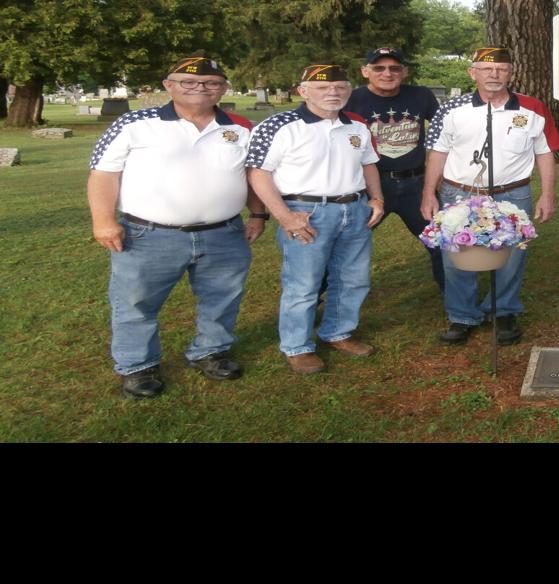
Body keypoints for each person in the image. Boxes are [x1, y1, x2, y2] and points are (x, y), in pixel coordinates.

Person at [87, 56, 266, 399]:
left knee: (222, 298)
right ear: (169, 86)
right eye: (188, 81)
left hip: (223, 233)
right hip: (148, 235)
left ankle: (210, 351)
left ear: (223, 88)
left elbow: (252, 175)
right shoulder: (134, 123)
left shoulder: (242, 126)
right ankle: (137, 366)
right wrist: (104, 221)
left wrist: (258, 215)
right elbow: (104, 174)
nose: (200, 88)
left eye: (211, 83)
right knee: (136, 302)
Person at [246, 63, 385, 374]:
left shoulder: (357, 126)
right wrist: (284, 217)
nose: (332, 93)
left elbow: (369, 164)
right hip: (306, 213)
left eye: (339, 87)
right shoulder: (279, 125)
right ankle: (298, 346)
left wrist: (376, 199)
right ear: (303, 91)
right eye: (322, 88)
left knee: (353, 279)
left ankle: (338, 332)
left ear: (349, 90)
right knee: (303, 283)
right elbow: (258, 173)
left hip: (354, 210)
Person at [420, 47, 559, 346]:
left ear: (511, 73)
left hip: (512, 193)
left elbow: (545, 153)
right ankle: (462, 316)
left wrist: (547, 194)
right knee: (456, 254)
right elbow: (438, 153)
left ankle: (503, 311)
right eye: (486, 69)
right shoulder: (451, 109)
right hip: (459, 192)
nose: (494, 74)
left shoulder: (533, 108)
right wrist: (428, 194)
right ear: (473, 73)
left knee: (512, 254)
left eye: (501, 68)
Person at [345, 47, 444, 293]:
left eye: (394, 68)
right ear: (365, 71)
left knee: (441, 241)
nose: (387, 73)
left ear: (404, 71)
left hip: (416, 184)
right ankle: (315, 300)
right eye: (379, 68)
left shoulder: (421, 96)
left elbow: (446, 133)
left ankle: (457, 301)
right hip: (371, 187)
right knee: (347, 245)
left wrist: (440, 174)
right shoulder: (351, 100)